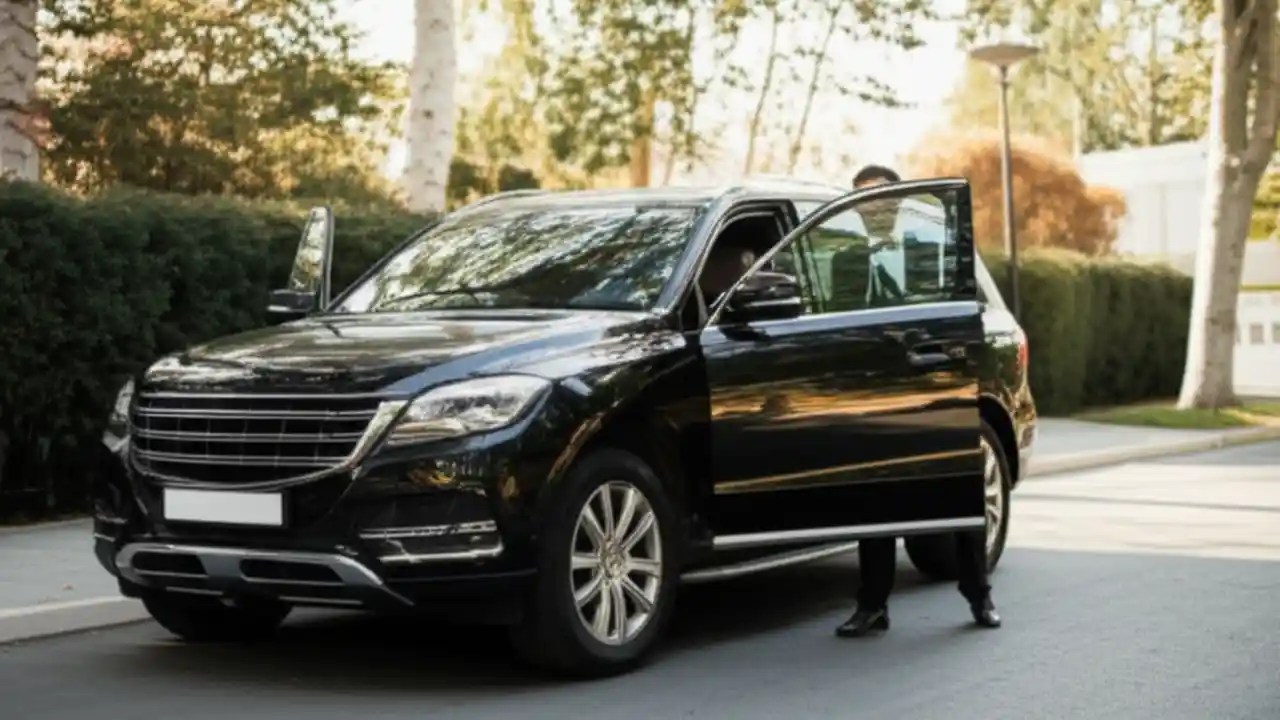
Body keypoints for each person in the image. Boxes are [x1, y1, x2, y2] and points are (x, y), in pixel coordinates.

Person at [834, 164, 1001, 638]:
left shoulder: (932, 252)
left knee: (958, 492)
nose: (875, 208)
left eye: (883, 198)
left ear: (902, 199)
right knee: (875, 500)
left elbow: (961, 316)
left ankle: (979, 596)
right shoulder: (844, 259)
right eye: (864, 201)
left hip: (932, 388)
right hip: (876, 395)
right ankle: (872, 607)